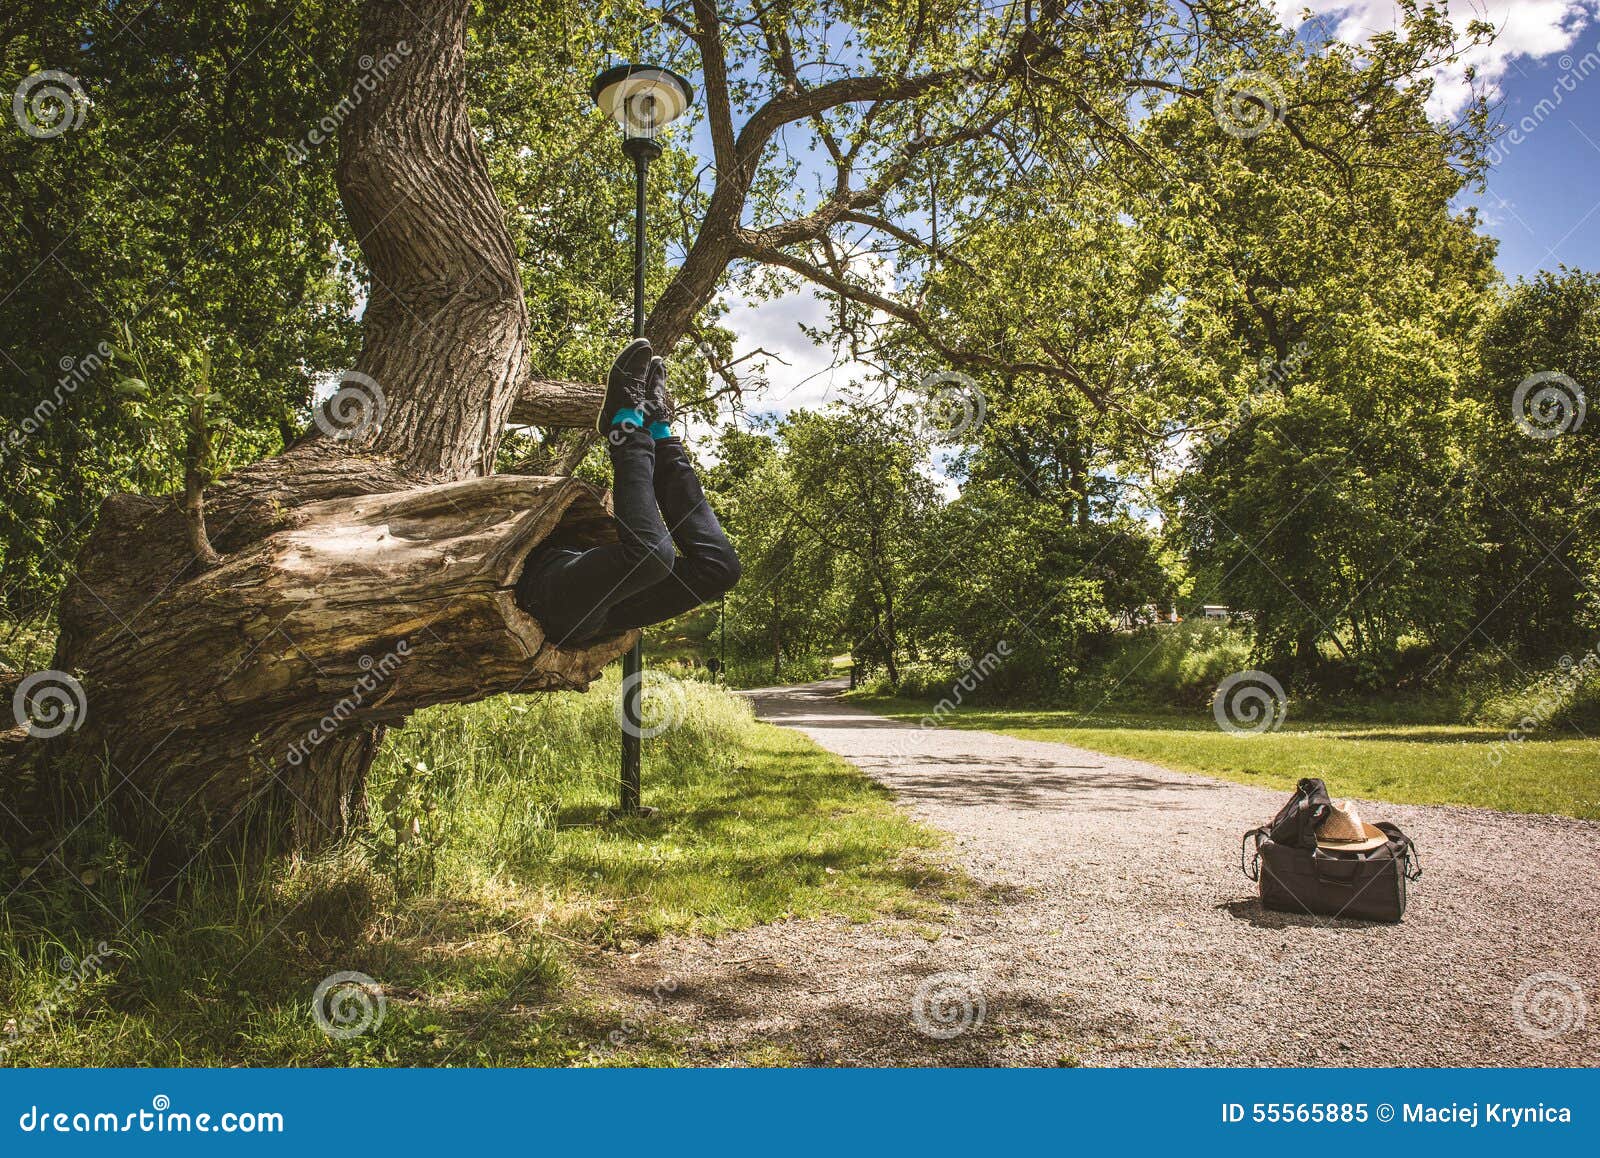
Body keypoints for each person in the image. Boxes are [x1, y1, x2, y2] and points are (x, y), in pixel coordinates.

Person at [516, 339, 741, 646]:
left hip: (573, 611)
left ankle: (632, 426)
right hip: (555, 595)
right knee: (670, 560)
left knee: (714, 569)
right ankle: (651, 430)